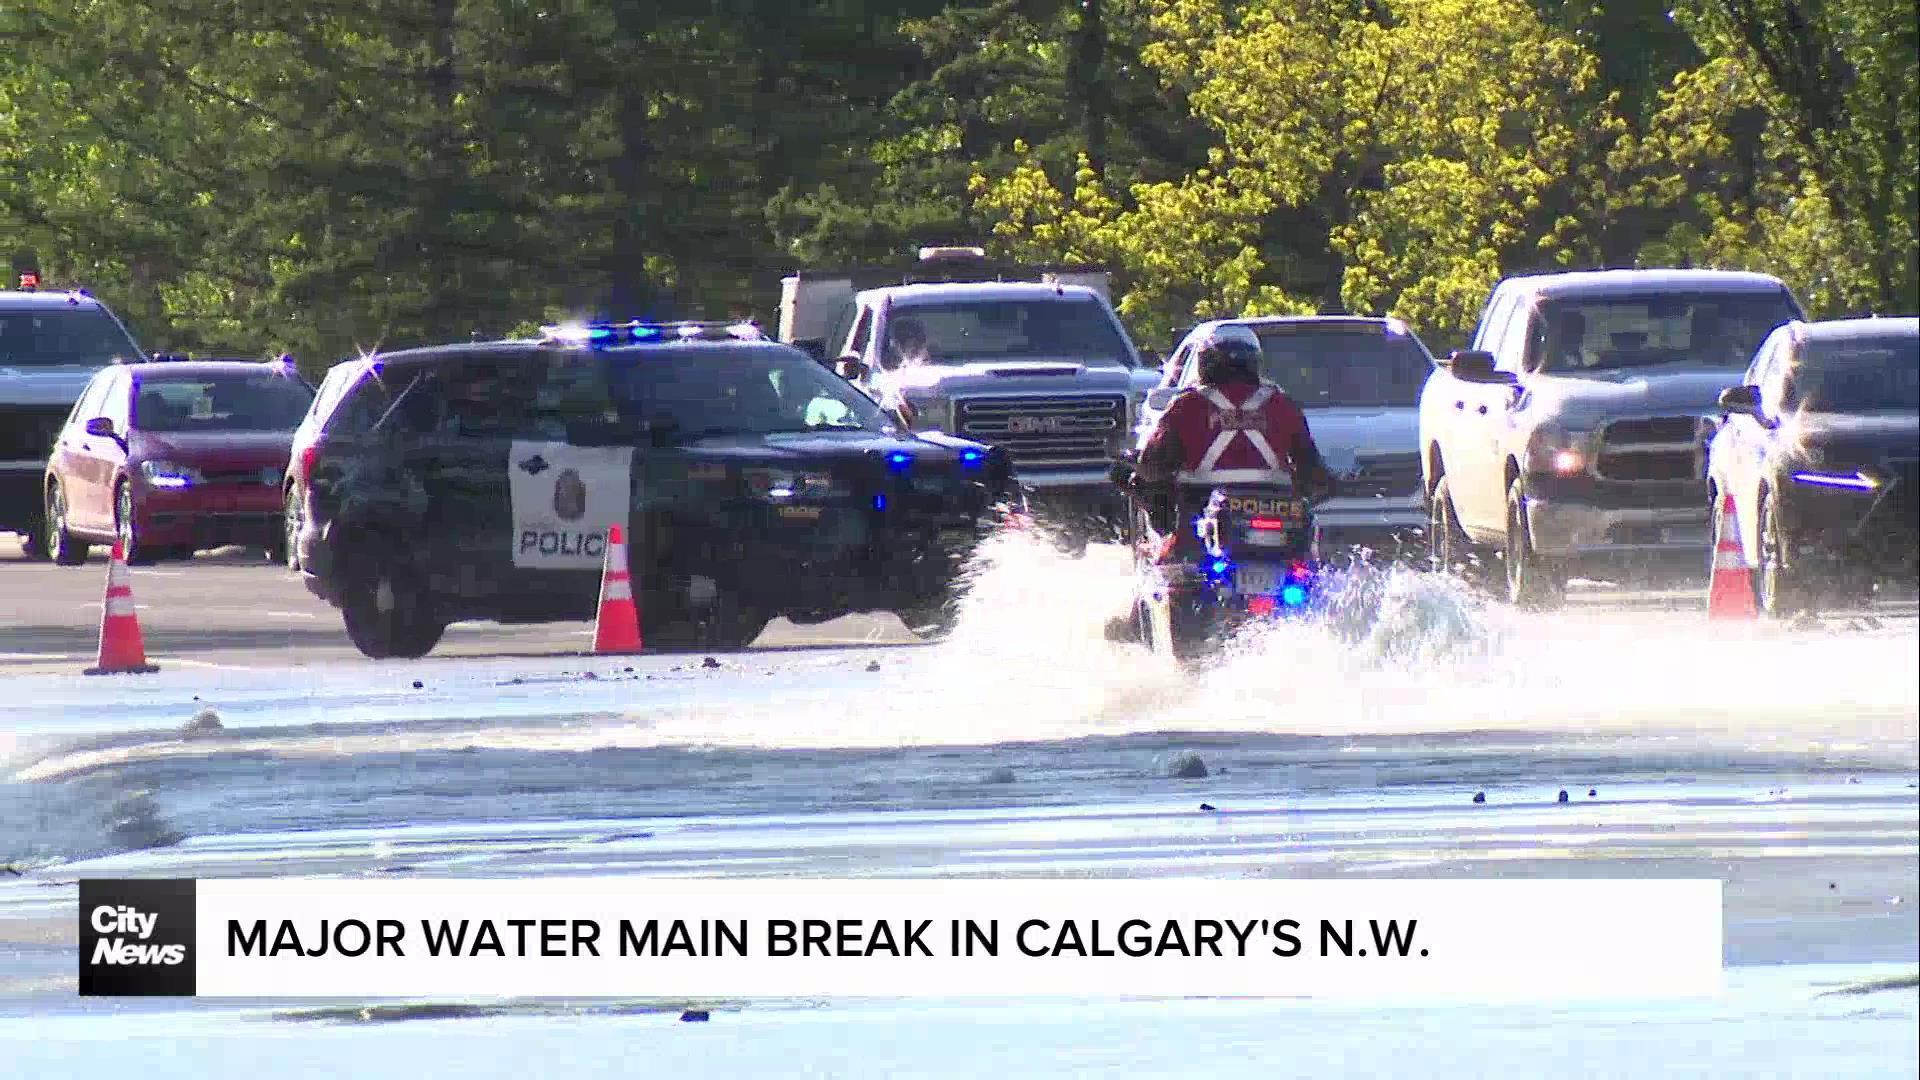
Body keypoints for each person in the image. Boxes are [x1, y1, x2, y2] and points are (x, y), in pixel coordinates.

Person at [1104, 323, 1334, 641]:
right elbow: (1313, 468)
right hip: (1280, 513)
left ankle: (1136, 629)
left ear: (1206, 362)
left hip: (1198, 510)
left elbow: (1154, 465)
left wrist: (1133, 467)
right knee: (1311, 572)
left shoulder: (1186, 406)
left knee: (1172, 566)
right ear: (1254, 362)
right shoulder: (1283, 405)